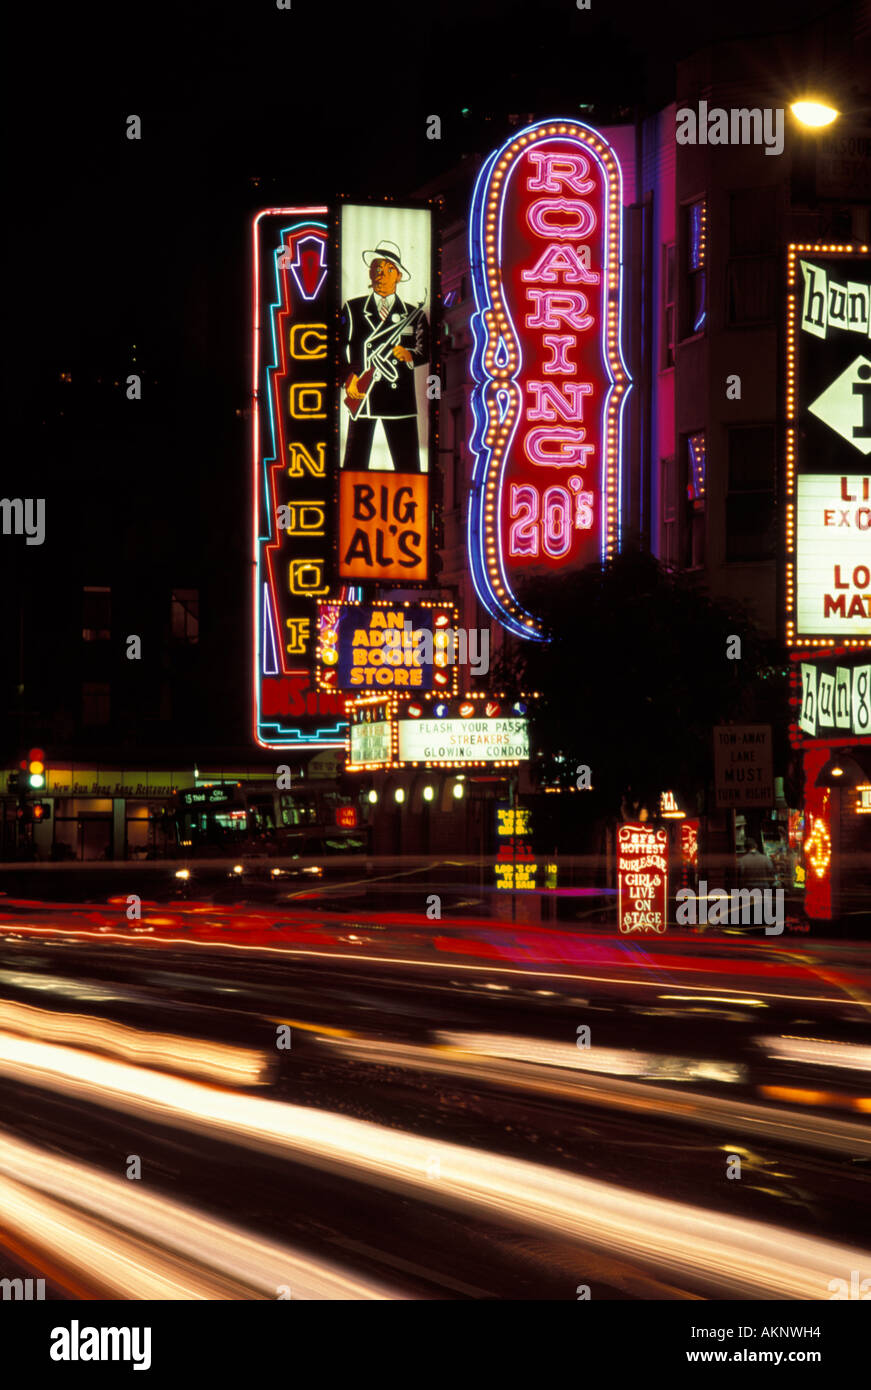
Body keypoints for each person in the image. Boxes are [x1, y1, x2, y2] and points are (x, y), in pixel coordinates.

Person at [342, 239, 430, 473]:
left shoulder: (414, 314)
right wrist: (349, 377)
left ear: (399, 276)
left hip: (400, 399)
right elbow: (341, 347)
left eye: (389, 268)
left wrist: (409, 355)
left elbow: (426, 350)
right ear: (370, 273)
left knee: (409, 467)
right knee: (354, 465)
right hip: (364, 395)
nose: (381, 273)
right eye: (376, 268)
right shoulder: (353, 309)